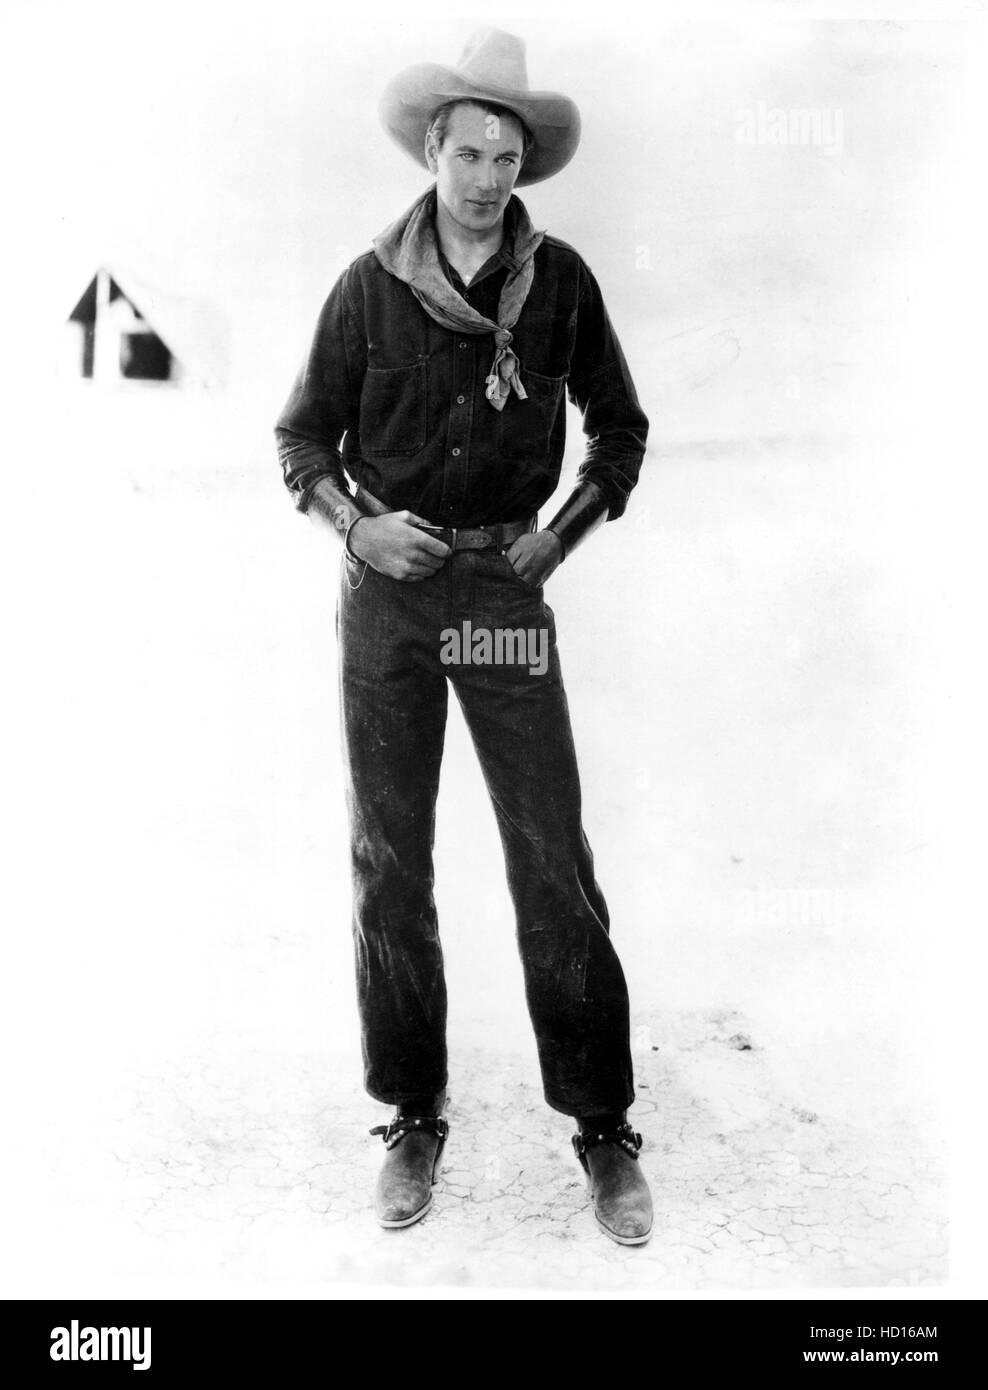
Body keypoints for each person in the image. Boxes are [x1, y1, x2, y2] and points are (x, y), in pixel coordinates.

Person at [274, 27, 652, 1245]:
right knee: (390, 858)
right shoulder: (366, 287)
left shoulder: (562, 284)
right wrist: (356, 526)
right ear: (431, 152)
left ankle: (602, 1124)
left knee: (548, 852)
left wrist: (556, 540)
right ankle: (411, 1112)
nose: (487, 178)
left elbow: (621, 431)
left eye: (507, 158)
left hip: (498, 603)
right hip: (390, 606)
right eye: (468, 153)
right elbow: (299, 441)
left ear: (522, 166)